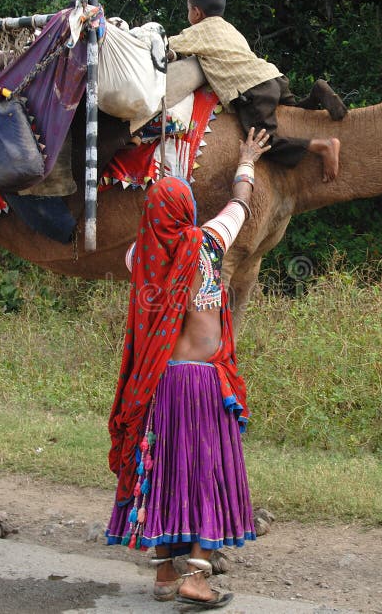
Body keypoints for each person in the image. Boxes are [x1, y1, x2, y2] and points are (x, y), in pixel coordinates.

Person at [106, 127, 270, 608]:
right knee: (204, 472)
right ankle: (196, 578)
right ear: (187, 213)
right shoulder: (206, 246)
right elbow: (240, 205)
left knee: (159, 469)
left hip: (158, 385)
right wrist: (247, 160)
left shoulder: (139, 258)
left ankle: (162, 573)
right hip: (201, 384)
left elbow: (150, 236)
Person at [167, 0, 345, 183]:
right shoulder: (229, 28)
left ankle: (323, 146)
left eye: (188, 10)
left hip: (253, 90)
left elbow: (168, 45)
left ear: (196, 12)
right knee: (291, 114)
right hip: (272, 77)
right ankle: (316, 93)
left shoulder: (198, 31)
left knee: (263, 142)